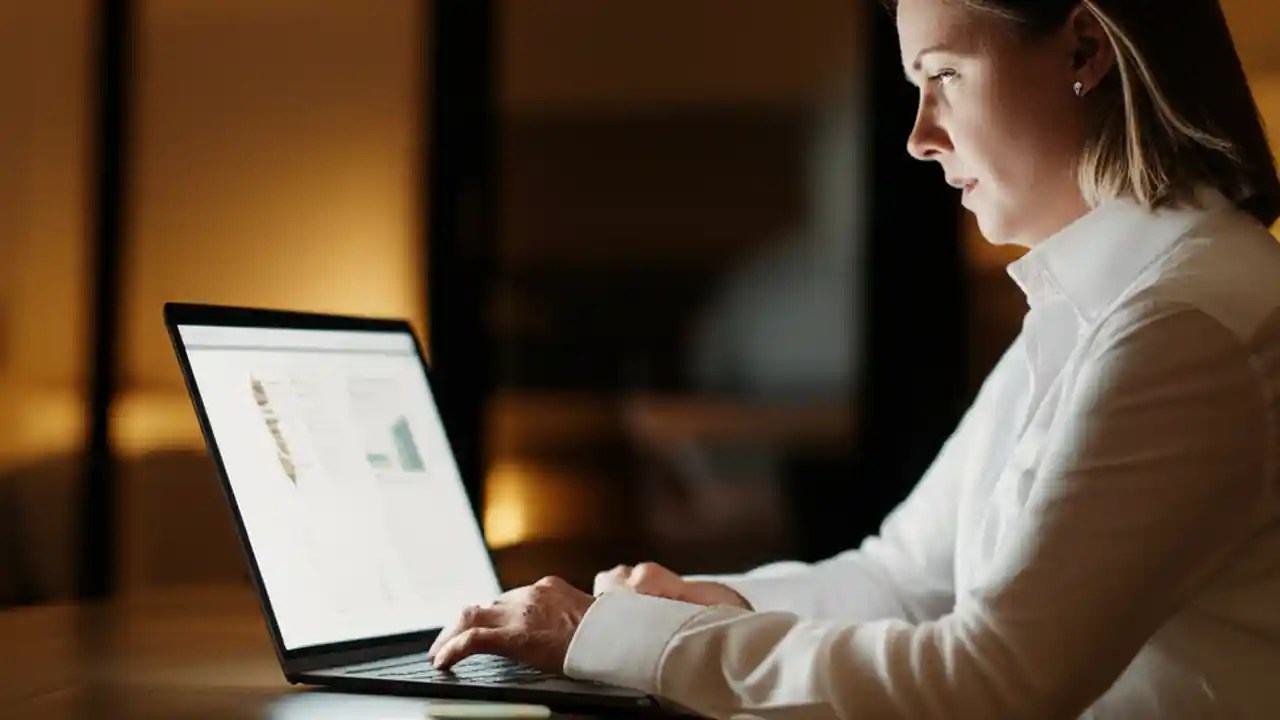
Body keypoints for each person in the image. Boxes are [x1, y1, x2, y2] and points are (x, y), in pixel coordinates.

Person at [427, 0, 1280, 716]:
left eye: (944, 74)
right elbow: (905, 578)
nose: (918, 135)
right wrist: (699, 604)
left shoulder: (1181, 327)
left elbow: (991, 682)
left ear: (1086, 50)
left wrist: (612, 641)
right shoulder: (1099, 305)